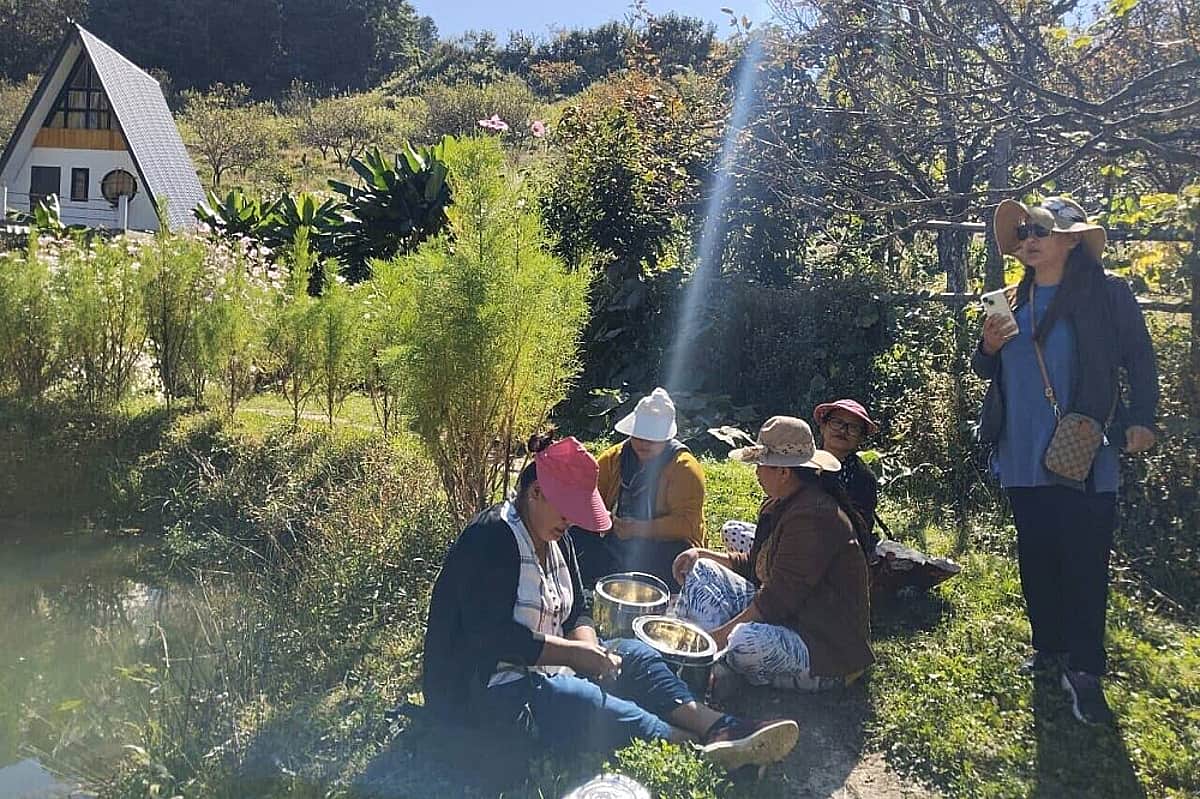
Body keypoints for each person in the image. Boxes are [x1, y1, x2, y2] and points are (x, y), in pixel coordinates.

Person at [422, 435, 799, 770]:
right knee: (575, 698)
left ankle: (716, 725)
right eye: (567, 510)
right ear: (535, 493)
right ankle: (689, 746)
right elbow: (491, 638)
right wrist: (574, 656)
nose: (571, 521)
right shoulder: (491, 539)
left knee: (635, 654)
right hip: (483, 690)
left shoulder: (554, 535)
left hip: (548, 664)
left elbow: (577, 608)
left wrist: (589, 648)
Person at [974, 196, 1158, 726]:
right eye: (1024, 231)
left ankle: (1085, 669)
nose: (1030, 239)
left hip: (1083, 450)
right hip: (1021, 449)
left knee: (1084, 561)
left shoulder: (1106, 294)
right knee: (1037, 554)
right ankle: (1049, 647)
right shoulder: (1012, 300)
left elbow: (1139, 358)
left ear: (1073, 240)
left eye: (1042, 230)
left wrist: (1142, 418)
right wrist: (987, 348)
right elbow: (986, 370)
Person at [673, 416, 875, 692]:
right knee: (702, 568)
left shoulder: (814, 516)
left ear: (783, 472)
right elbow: (759, 566)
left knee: (744, 641)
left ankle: (711, 658)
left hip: (822, 646)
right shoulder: (785, 502)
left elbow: (777, 599)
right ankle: (715, 663)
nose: (757, 472)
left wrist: (715, 639)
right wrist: (703, 554)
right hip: (790, 618)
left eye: (761, 465)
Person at [813, 399, 960, 593]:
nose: (843, 430)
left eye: (853, 428)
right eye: (837, 422)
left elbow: (862, 524)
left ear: (861, 438)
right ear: (823, 426)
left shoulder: (863, 477)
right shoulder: (801, 465)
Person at [574, 388, 706, 589]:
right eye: (639, 436)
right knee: (576, 535)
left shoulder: (684, 469)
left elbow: (687, 525)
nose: (644, 443)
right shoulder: (612, 459)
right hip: (614, 538)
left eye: (652, 438)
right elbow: (590, 497)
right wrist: (602, 518)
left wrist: (639, 529)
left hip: (661, 546)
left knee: (674, 558)